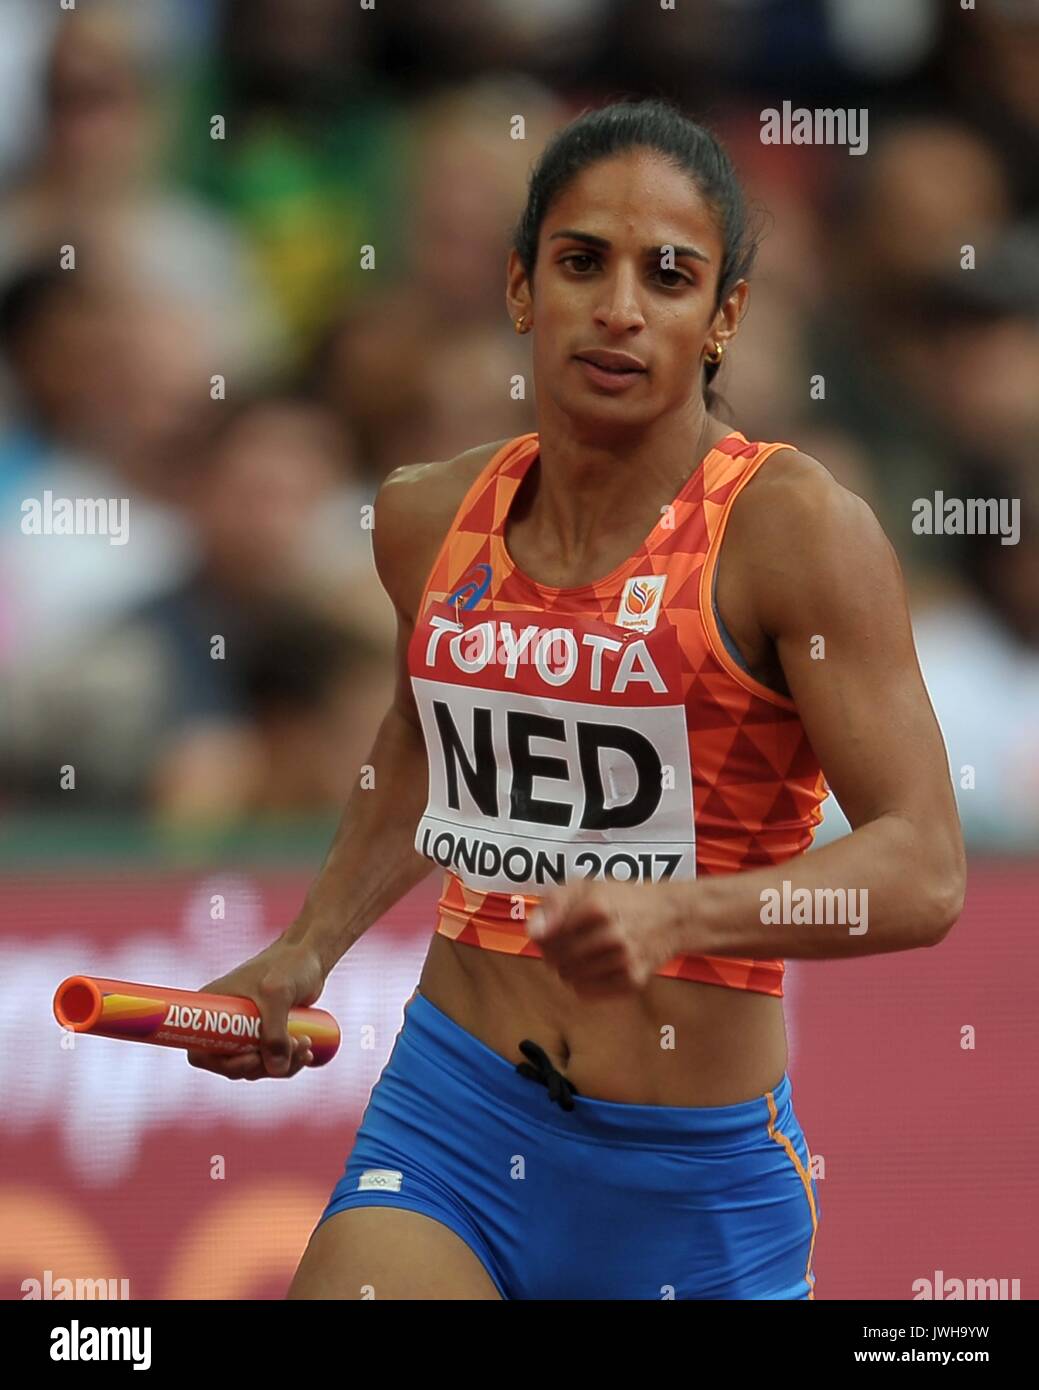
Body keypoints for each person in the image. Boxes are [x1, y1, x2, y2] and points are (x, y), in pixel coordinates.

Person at [186, 99, 966, 1300]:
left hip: (692, 1188)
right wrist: (306, 950)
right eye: (580, 262)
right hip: (451, 1121)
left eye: (668, 275)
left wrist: (677, 916)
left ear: (724, 319)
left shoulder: (794, 533)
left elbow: (922, 870)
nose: (618, 308)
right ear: (518, 289)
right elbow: (421, 741)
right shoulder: (424, 516)